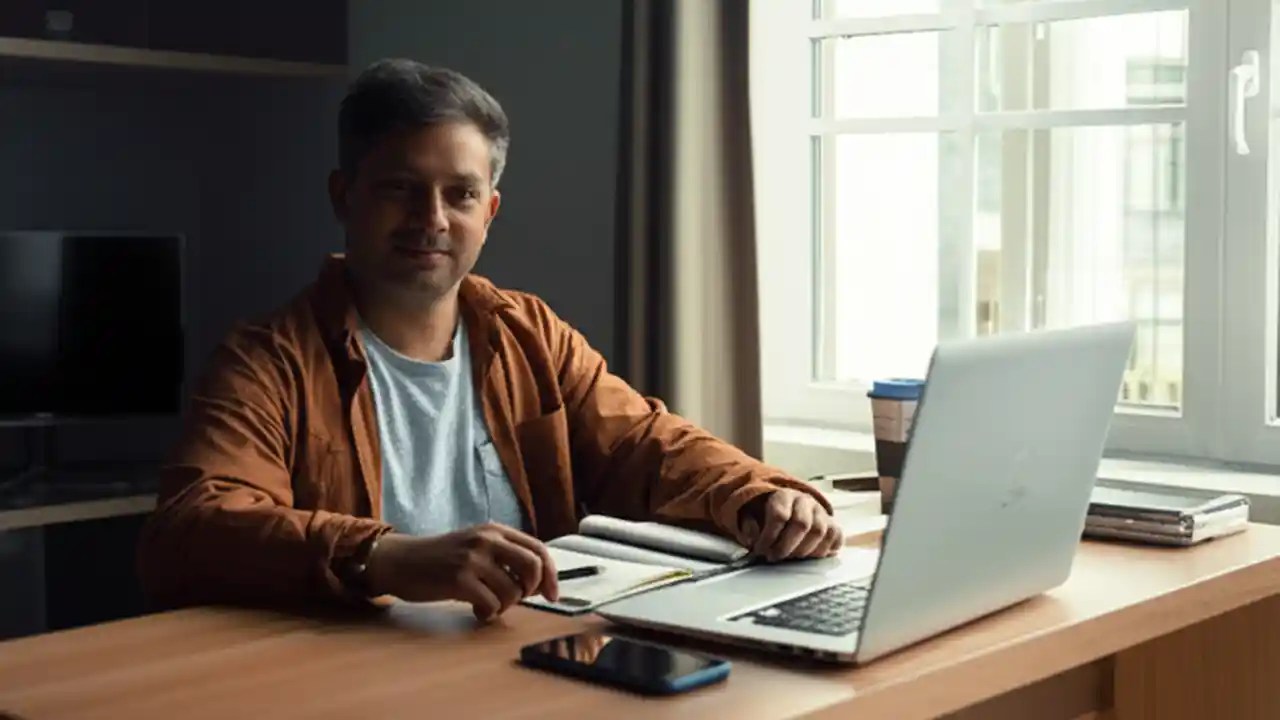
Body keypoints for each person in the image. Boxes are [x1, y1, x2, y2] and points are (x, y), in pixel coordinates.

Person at [137, 59, 842, 622]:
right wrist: (383, 557)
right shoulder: (268, 358)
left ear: (490, 210)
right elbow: (191, 530)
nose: (432, 219)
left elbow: (649, 447)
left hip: (522, 660)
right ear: (342, 196)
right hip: (350, 677)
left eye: (460, 194)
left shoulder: (527, 334)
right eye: (400, 189)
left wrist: (762, 493)